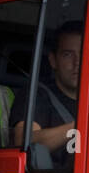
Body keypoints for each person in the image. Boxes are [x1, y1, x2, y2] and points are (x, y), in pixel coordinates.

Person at [11, 20, 82, 161]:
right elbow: (24, 142)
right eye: (68, 54)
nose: (77, 62)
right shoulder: (35, 95)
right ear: (53, 60)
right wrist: (81, 126)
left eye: (83, 53)